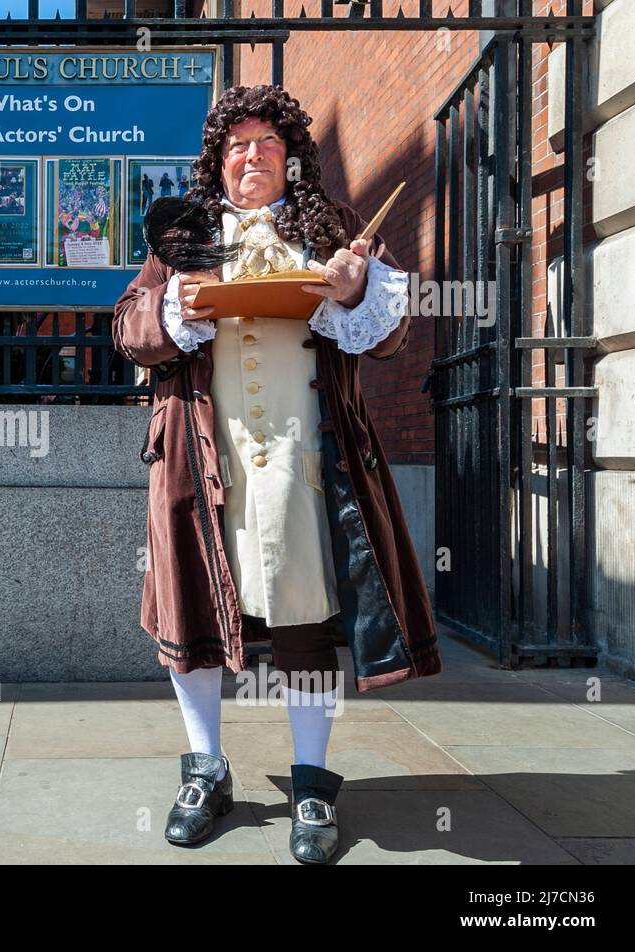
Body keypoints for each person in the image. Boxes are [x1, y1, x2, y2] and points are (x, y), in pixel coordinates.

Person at [113, 84, 442, 863]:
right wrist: (172, 312)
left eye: (265, 143)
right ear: (218, 164)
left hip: (304, 458)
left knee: (304, 617)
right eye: (236, 146)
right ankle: (204, 770)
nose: (250, 155)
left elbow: (390, 333)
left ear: (290, 157)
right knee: (189, 615)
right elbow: (126, 328)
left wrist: (357, 288)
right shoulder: (181, 243)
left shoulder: (329, 232)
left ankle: (314, 783)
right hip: (201, 459)